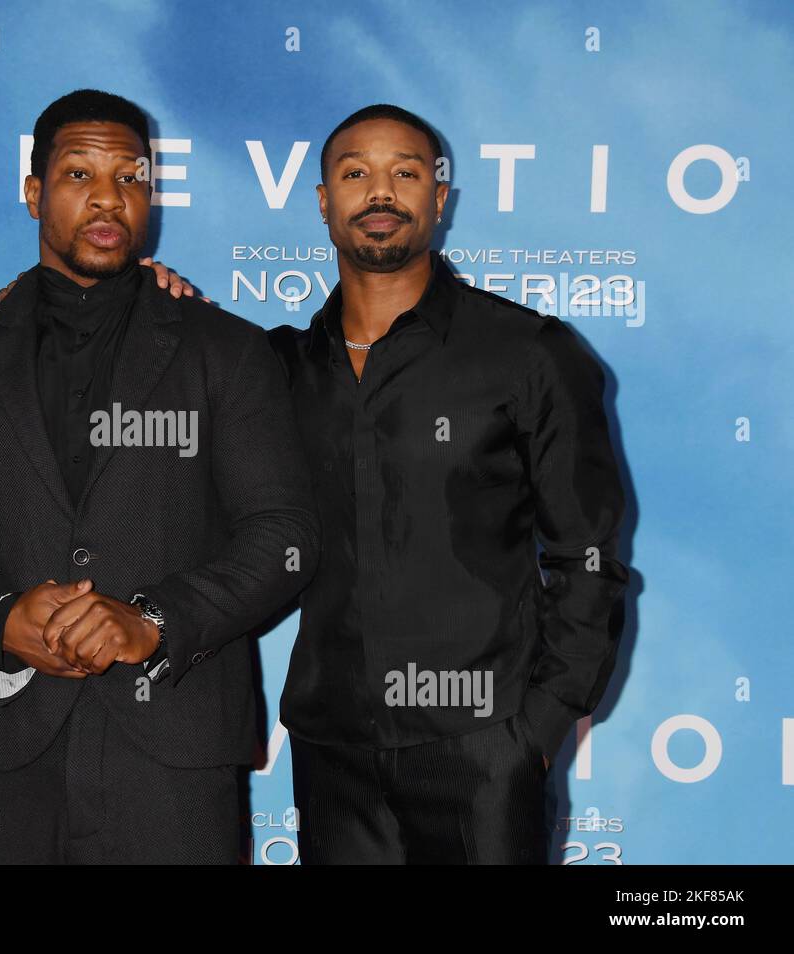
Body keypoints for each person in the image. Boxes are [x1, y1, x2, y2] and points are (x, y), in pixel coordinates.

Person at [0, 89, 319, 864]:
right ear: (34, 192)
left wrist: (155, 621)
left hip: (176, 749)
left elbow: (285, 534)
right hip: (13, 758)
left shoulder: (225, 351)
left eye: (131, 177)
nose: (108, 197)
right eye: (78, 175)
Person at [269, 104, 629, 864]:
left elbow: (588, 557)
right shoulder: (278, 370)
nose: (380, 192)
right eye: (355, 172)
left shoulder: (528, 354)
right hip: (331, 753)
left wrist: (534, 731)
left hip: (482, 751)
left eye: (406, 172)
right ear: (323, 201)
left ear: (440, 197)